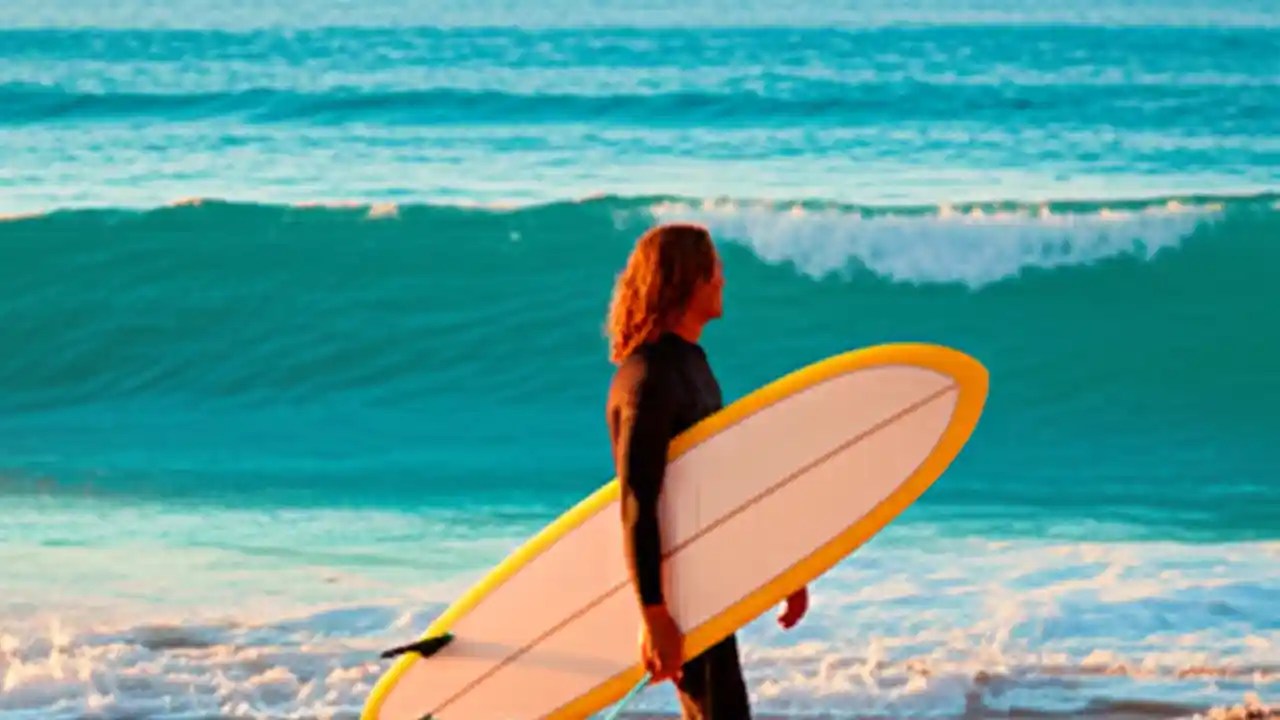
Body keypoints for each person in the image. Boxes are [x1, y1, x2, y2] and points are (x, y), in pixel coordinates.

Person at [604, 222, 809, 719]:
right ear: (685, 279)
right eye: (713, 269)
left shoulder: (688, 365)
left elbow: (710, 488)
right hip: (678, 588)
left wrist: (781, 567)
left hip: (701, 577)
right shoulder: (650, 379)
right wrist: (653, 614)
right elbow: (639, 501)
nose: (722, 280)